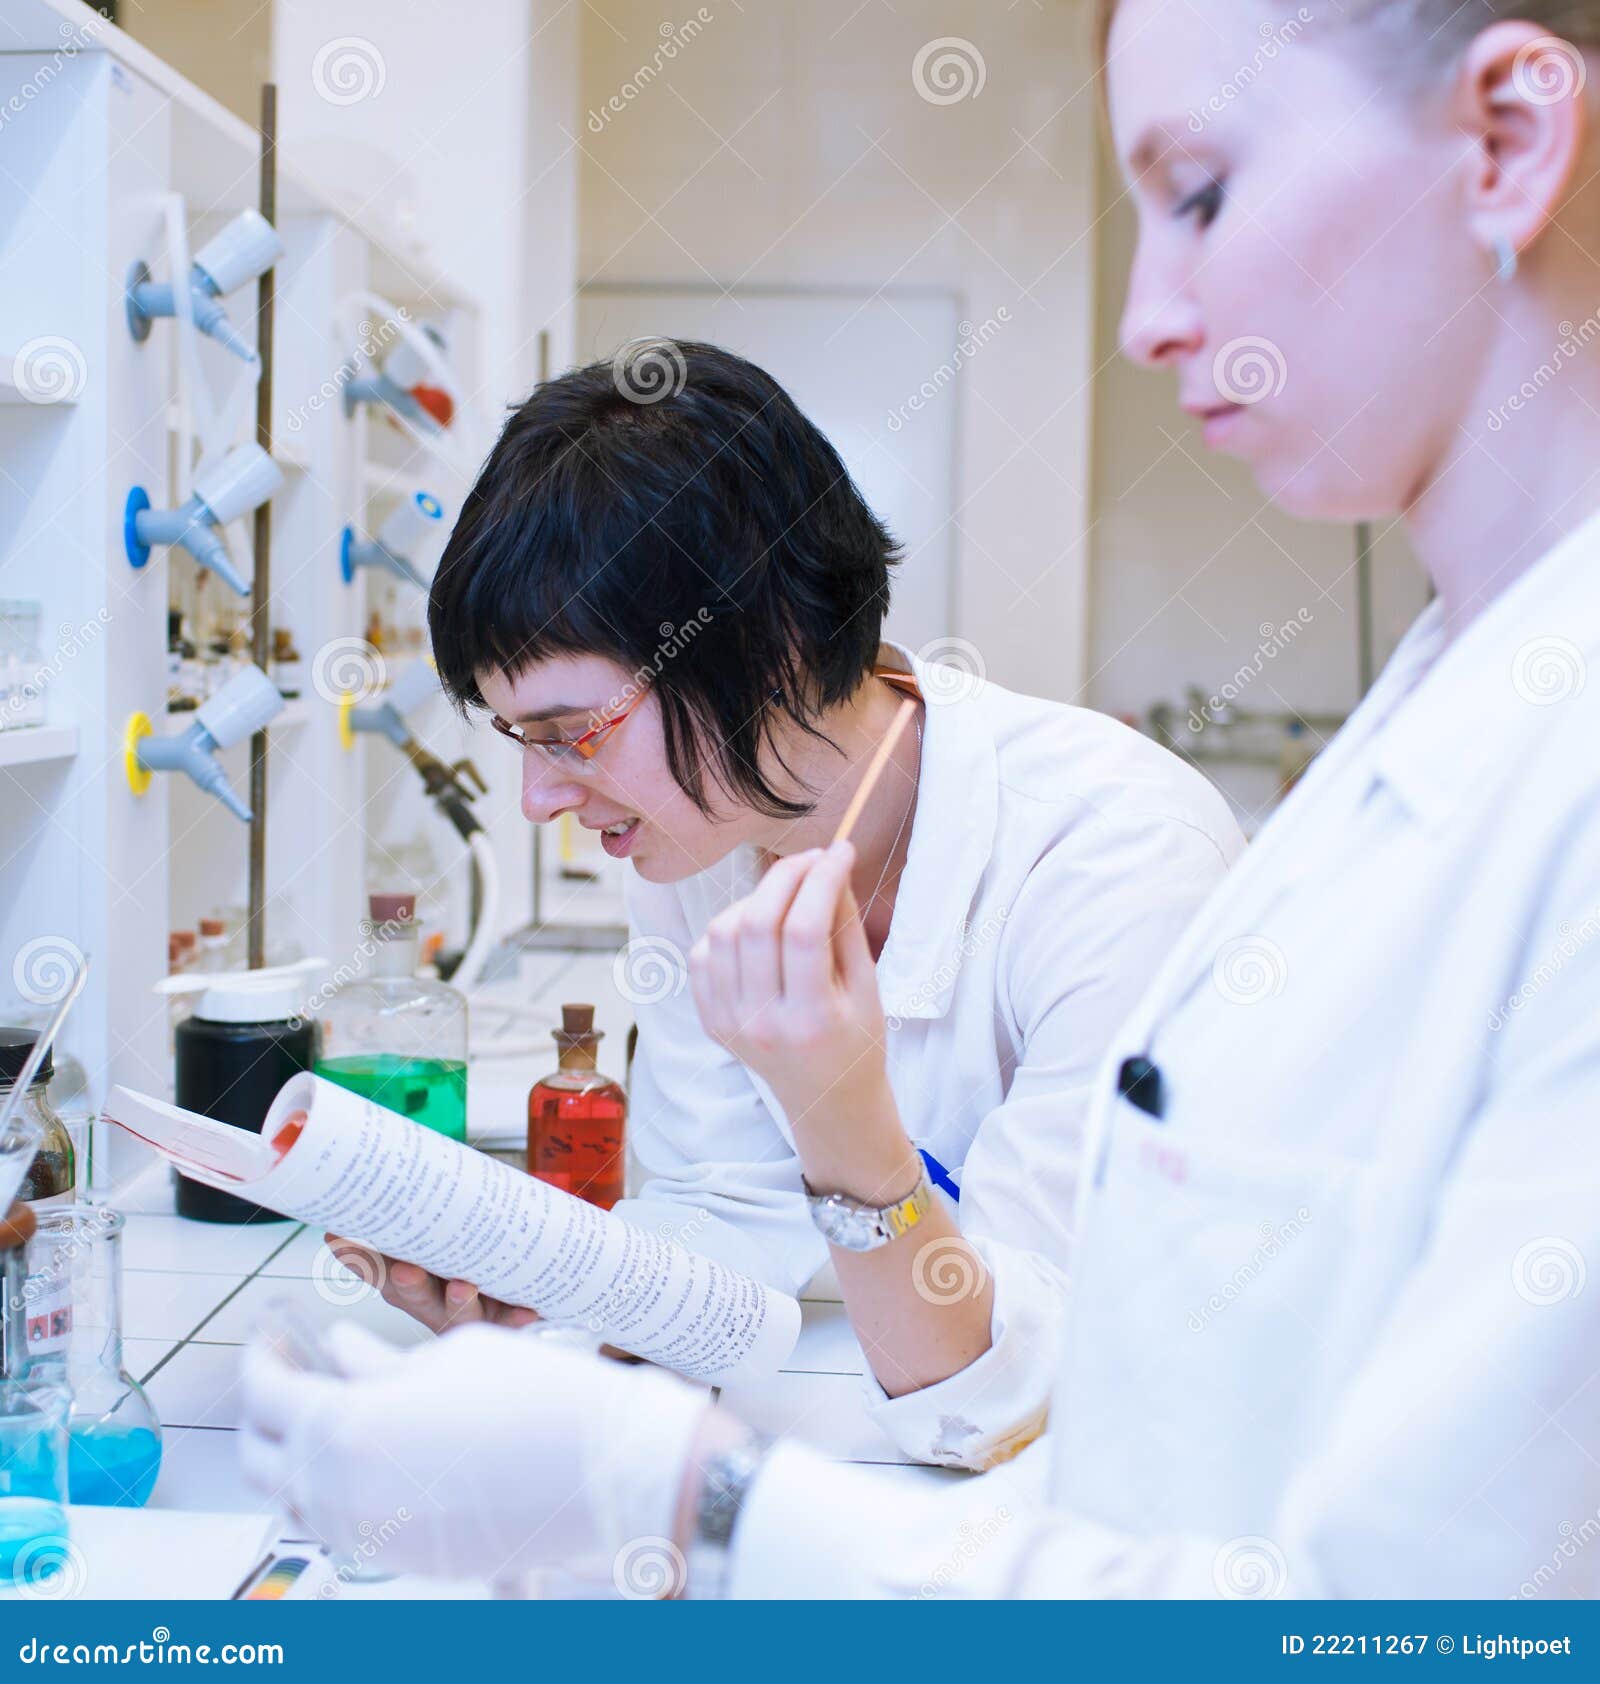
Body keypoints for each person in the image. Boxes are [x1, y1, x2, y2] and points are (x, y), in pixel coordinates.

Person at [244, 0, 1600, 1598]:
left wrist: (699, 1471)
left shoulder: (1134, 841)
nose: (1150, 318)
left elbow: (1382, 1594)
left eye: (1206, 191)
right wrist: (564, 1321)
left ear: (1508, 138)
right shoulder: (1437, 720)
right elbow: (727, 1254)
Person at [327, 342, 1242, 1470]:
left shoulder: (1115, 856)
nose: (536, 797)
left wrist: (838, 1106)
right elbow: (721, 1204)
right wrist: (556, 1305)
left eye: (572, 734)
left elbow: (1001, 1399)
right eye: (520, 738)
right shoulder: (708, 835)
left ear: (769, 646)